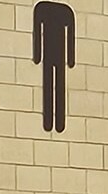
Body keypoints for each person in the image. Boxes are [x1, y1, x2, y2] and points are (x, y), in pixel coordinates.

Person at [31, 2, 76, 133]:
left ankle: (55, 123)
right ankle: (51, 122)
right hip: (53, 54)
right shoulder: (61, 10)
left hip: (53, 53)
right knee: (53, 84)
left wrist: (38, 56)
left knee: (54, 84)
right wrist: (71, 59)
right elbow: (38, 31)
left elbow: (71, 34)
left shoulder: (44, 8)